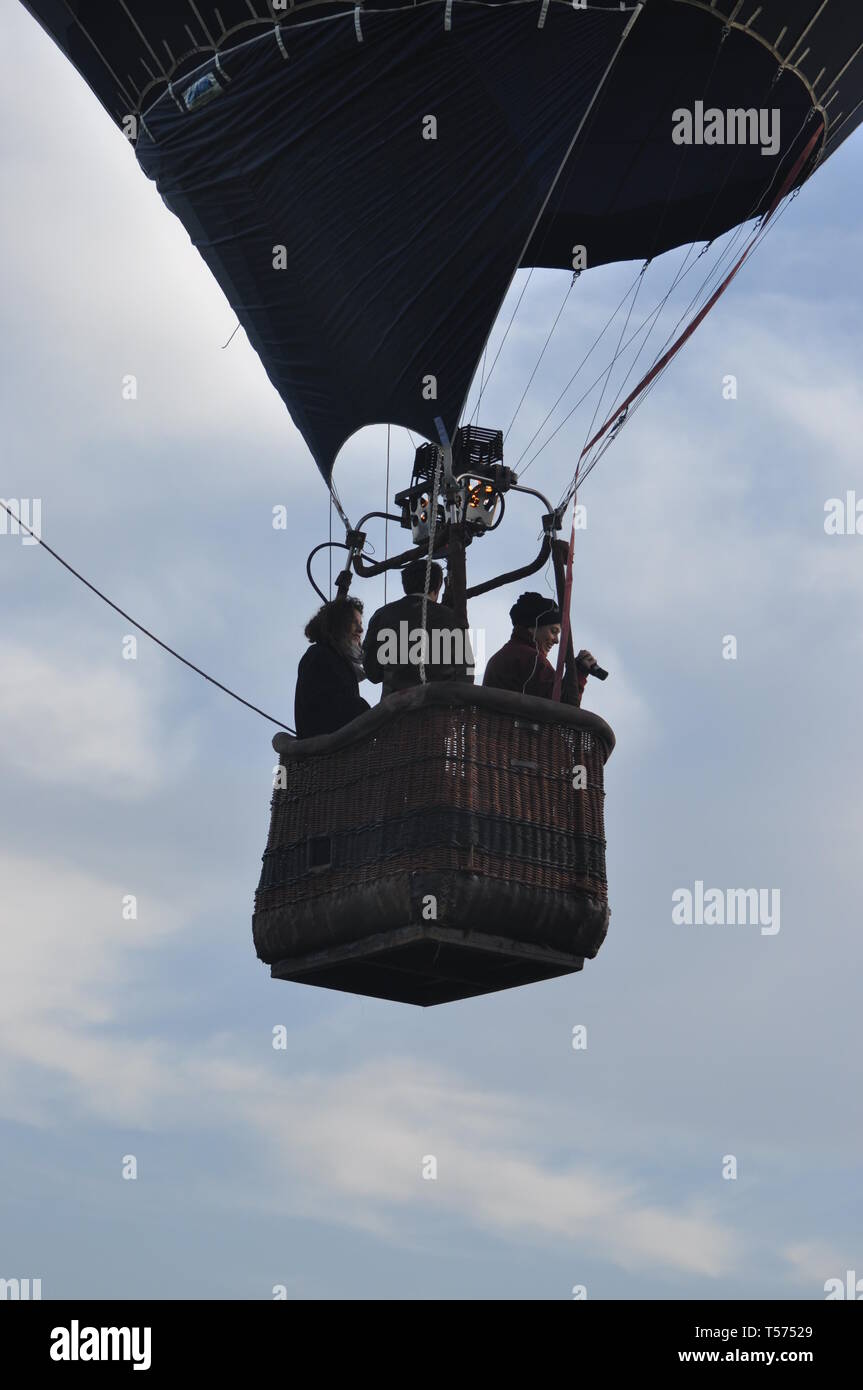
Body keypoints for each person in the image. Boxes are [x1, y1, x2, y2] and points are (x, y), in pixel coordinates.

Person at [362, 559, 474, 698]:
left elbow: (372, 672)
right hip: (440, 706)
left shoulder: (382, 615)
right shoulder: (452, 618)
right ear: (438, 586)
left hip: (395, 707)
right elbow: (466, 673)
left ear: (405, 585)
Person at [482, 591, 595, 705]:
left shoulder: (502, 655)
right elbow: (565, 706)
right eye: (553, 631)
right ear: (533, 626)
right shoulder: (533, 660)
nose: (556, 640)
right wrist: (578, 673)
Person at [294, 596, 371, 738]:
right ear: (337, 624)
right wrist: (371, 713)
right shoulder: (320, 655)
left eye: (360, 624)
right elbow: (331, 708)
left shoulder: (334, 658)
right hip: (329, 746)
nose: (361, 630)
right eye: (354, 623)